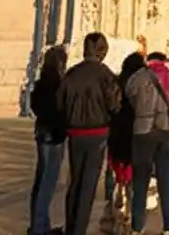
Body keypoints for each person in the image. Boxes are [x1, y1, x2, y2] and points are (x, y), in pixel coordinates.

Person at [57, 32, 121, 235]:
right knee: (88, 184)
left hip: (75, 134)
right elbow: (115, 106)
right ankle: (78, 230)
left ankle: (71, 226)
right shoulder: (106, 76)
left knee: (75, 181)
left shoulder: (72, 74)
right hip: (98, 133)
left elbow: (60, 103)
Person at [126, 51, 169, 235]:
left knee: (140, 182)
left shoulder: (138, 77)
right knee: (167, 180)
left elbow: (129, 94)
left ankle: (138, 226)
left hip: (142, 131)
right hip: (165, 131)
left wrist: (141, 111)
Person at [100, 52, 145, 232]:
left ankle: (111, 210)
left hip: (116, 133)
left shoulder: (117, 82)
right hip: (133, 133)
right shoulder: (140, 85)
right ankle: (128, 213)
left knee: (113, 171)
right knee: (130, 174)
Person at [28, 45, 68, 235]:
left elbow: (35, 106)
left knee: (40, 180)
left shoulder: (41, 83)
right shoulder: (59, 85)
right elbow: (61, 110)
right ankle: (39, 228)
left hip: (42, 132)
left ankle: (40, 224)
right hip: (54, 136)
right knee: (48, 183)